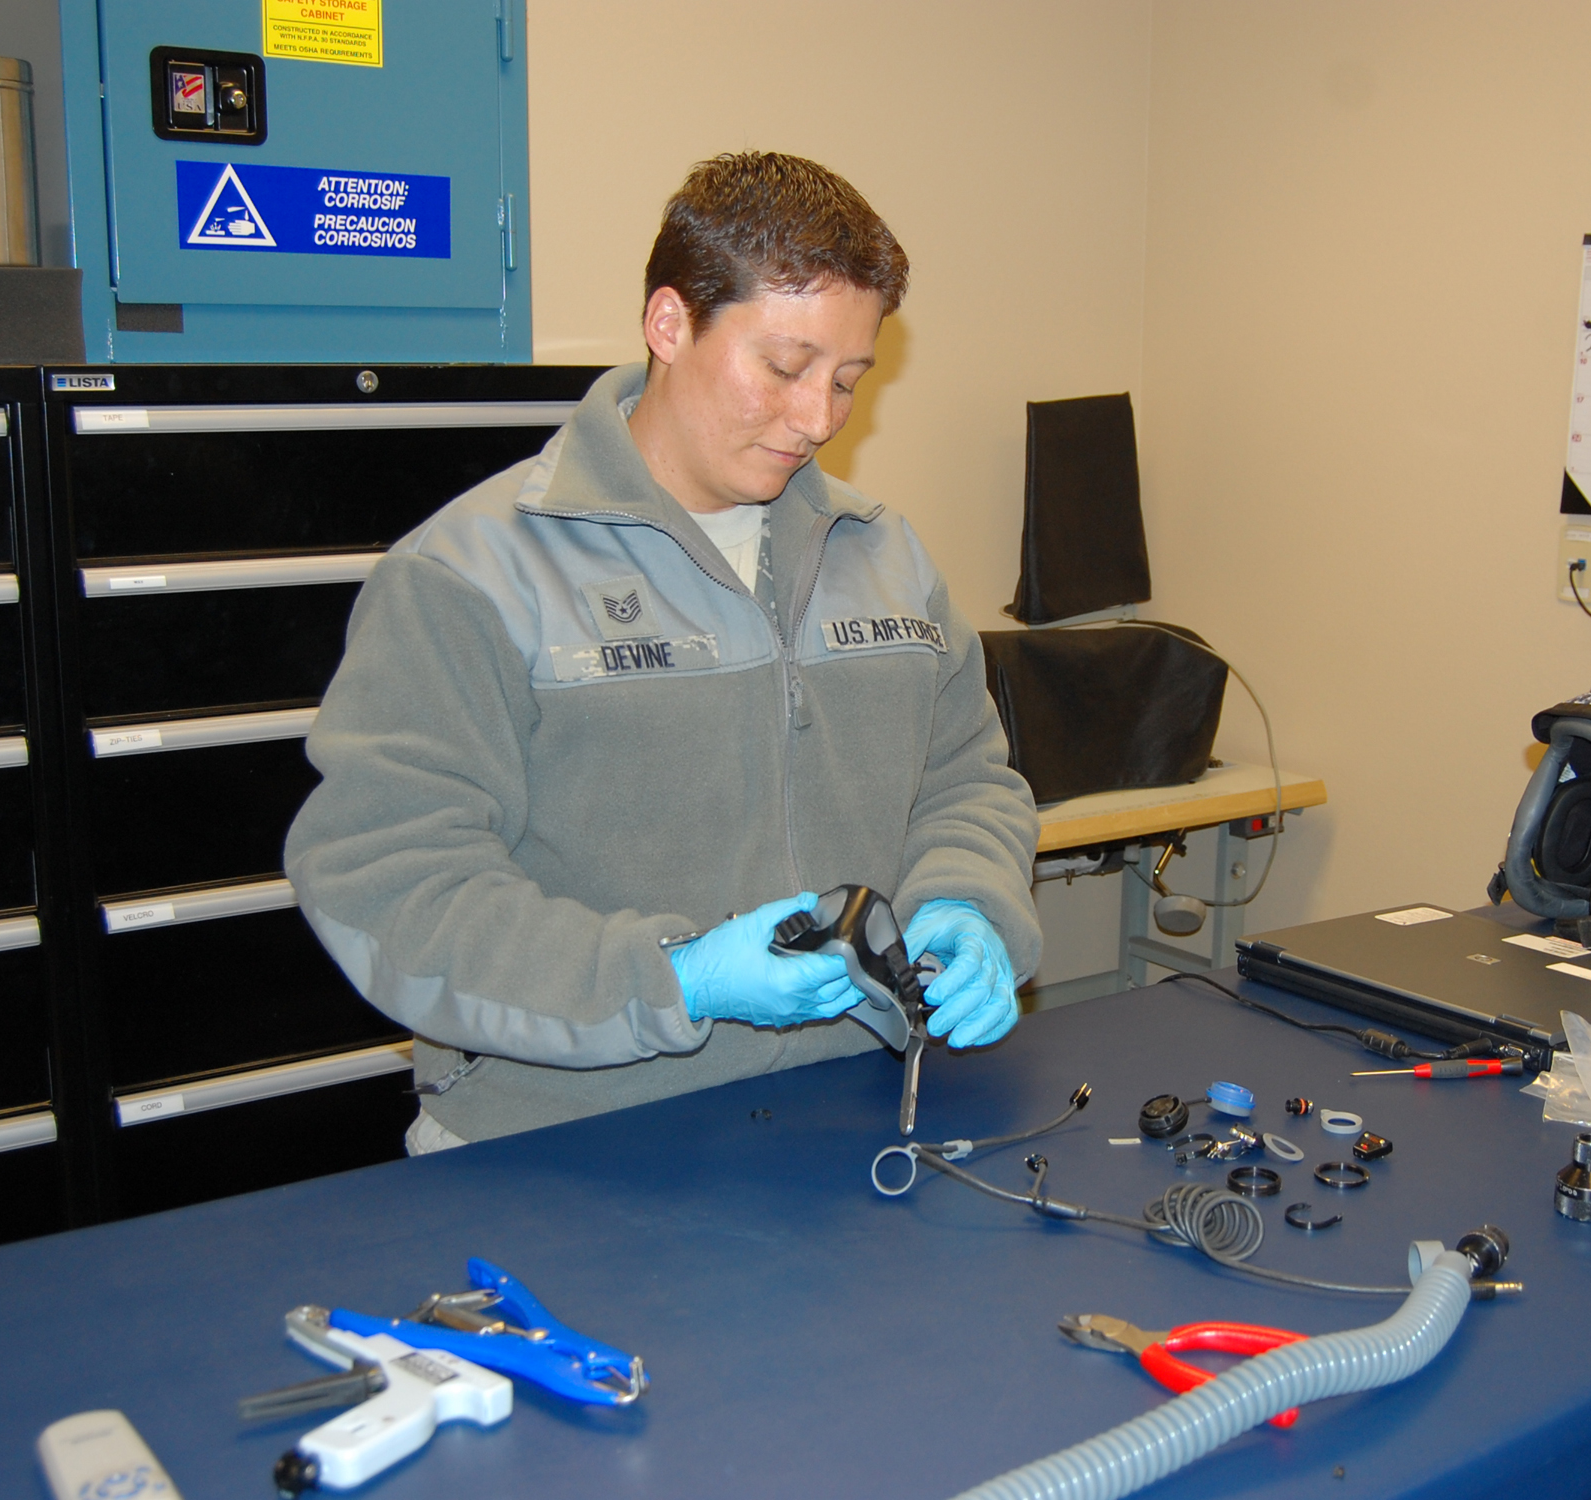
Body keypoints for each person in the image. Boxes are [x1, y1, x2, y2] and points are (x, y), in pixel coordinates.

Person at [285, 152, 1042, 1151]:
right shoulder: (470, 573)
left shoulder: (884, 556)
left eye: (847, 381)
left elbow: (966, 782)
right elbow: (391, 883)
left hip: (847, 1116)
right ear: (670, 324)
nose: (818, 418)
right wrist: (671, 978)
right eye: (784, 368)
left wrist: (968, 899)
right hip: (566, 1143)